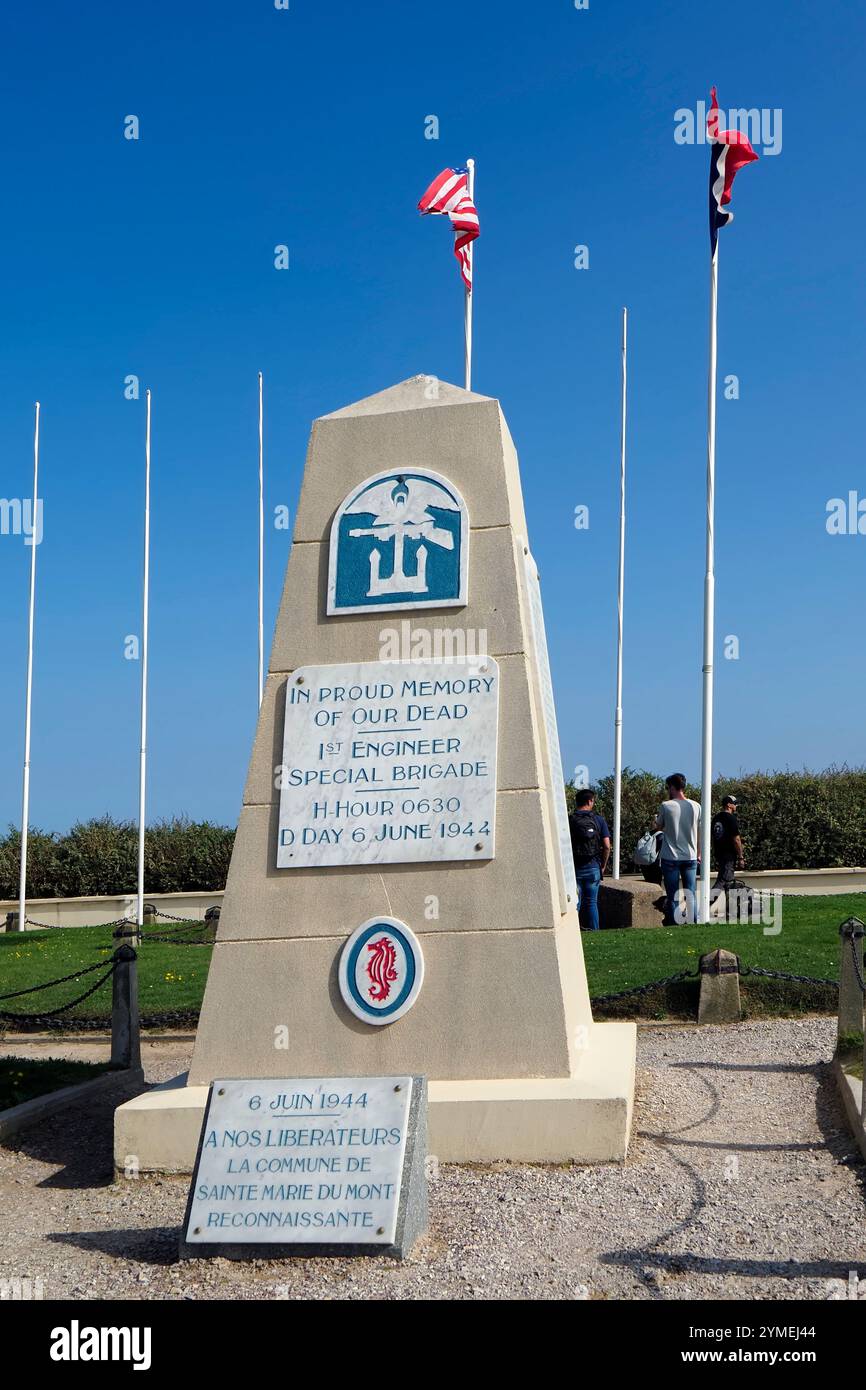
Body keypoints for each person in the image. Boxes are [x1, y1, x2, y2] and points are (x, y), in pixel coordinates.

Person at [655, 773, 701, 925]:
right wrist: (699, 853)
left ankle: (675, 922)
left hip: (671, 856)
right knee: (691, 893)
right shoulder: (696, 806)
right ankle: (692, 921)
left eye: (668, 787)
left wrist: (654, 820)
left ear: (672, 787)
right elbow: (700, 832)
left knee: (673, 893)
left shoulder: (666, 806)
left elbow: (659, 826)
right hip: (690, 855)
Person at [569, 788, 611, 931]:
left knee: (576, 902)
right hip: (593, 866)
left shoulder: (570, 820)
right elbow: (606, 846)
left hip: (575, 867)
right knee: (592, 902)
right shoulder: (598, 820)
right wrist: (603, 866)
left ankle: (573, 932)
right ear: (590, 801)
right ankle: (594, 931)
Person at [711, 794, 745, 901]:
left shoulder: (716, 818)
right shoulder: (731, 819)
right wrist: (740, 857)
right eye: (735, 803)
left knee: (728, 882)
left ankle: (732, 908)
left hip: (719, 854)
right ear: (729, 805)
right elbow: (736, 839)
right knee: (723, 881)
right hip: (728, 855)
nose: (736, 806)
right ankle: (705, 906)